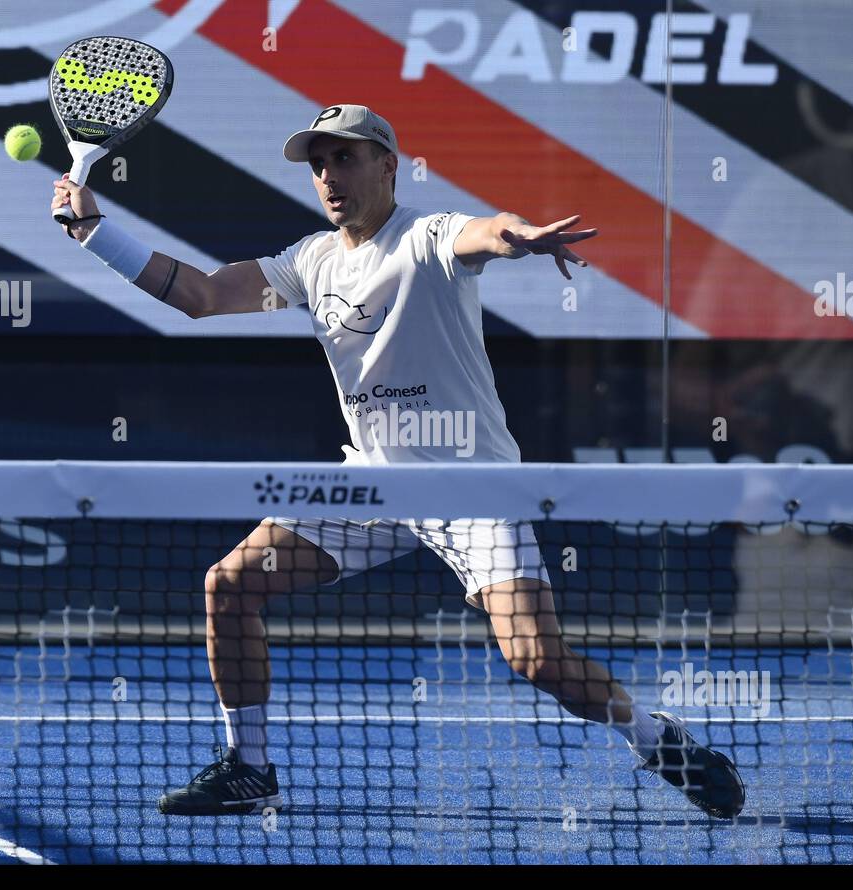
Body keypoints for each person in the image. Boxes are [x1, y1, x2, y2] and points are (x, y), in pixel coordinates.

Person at [52, 104, 744, 821]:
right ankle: (249, 768)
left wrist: (520, 237)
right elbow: (199, 295)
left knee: (538, 661)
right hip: (371, 485)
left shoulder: (428, 236)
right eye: (318, 164)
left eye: (344, 158)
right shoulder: (308, 262)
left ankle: (653, 737)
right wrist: (97, 232)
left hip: (471, 486)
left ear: (387, 164)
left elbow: (487, 232)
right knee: (228, 585)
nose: (328, 176)